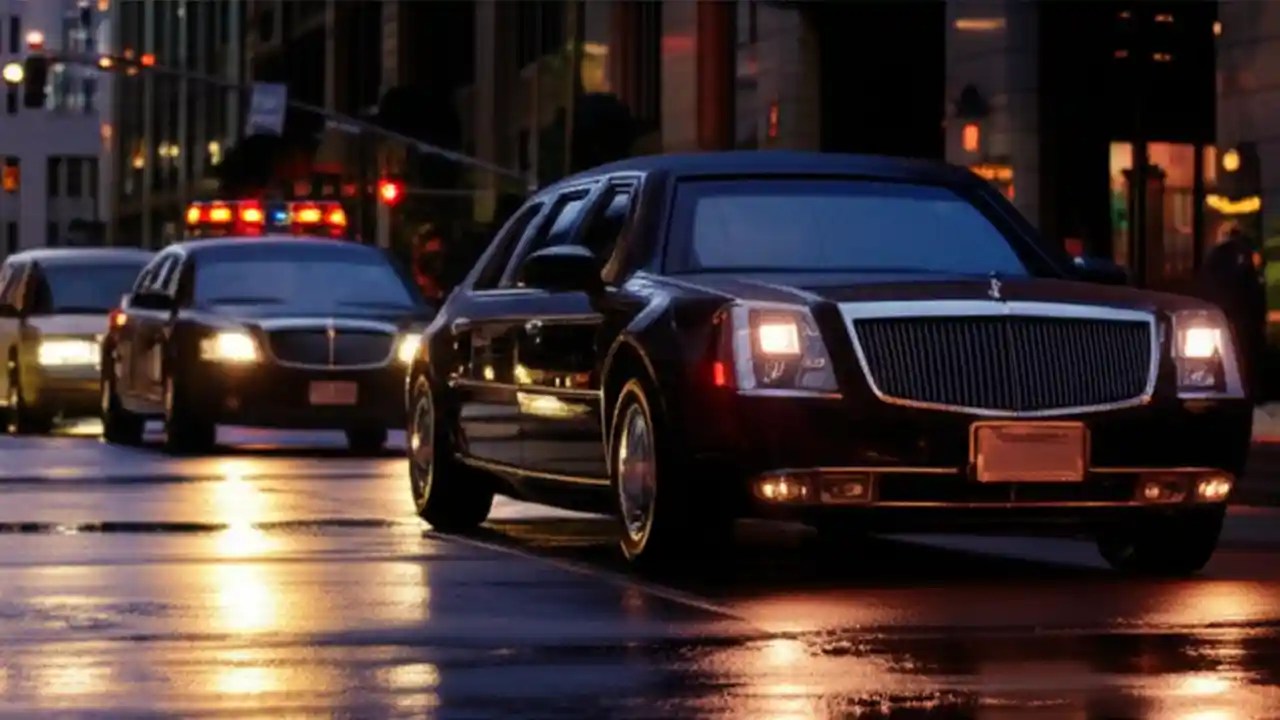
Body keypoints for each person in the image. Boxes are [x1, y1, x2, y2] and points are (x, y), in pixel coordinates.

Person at [1197, 222, 1267, 399]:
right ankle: (1250, 391)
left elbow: (1207, 284)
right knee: (1247, 356)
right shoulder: (1247, 254)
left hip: (1222, 313)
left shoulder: (1215, 255)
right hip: (1245, 315)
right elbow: (1255, 288)